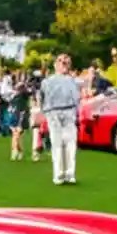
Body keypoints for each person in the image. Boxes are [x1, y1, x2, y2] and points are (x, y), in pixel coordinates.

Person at [39, 54, 82, 185]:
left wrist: (45, 111)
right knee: (64, 144)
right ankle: (64, 174)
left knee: (63, 144)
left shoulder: (49, 81)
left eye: (66, 63)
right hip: (60, 112)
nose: (64, 65)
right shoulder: (70, 81)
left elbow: (41, 97)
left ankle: (63, 174)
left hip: (59, 112)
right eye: (62, 62)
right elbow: (76, 98)